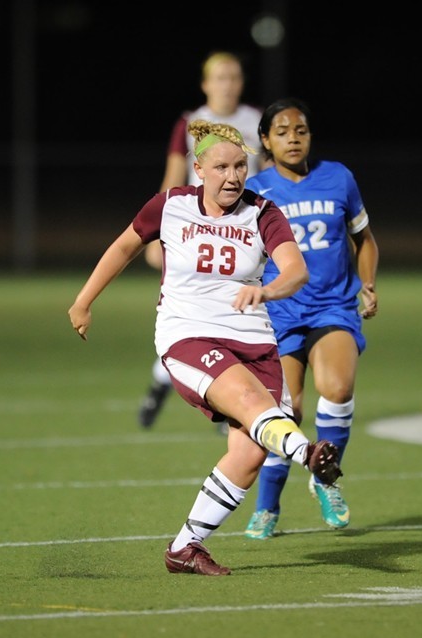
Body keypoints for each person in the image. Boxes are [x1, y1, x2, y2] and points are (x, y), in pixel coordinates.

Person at [68, 120, 342, 576]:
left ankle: (185, 547)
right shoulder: (171, 206)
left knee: (250, 452)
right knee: (254, 404)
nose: (233, 176)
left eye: (240, 166)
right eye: (221, 167)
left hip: (255, 342)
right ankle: (308, 454)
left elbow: (295, 272)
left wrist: (268, 292)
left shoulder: (263, 213)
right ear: (198, 169)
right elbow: (122, 248)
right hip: (188, 335)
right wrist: (83, 301)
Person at [241, 98, 379, 540]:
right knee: (287, 411)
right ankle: (267, 506)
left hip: (332, 307)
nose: (293, 138)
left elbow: (365, 240)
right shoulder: (255, 190)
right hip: (279, 313)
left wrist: (369, 284)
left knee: (337, 389)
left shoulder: (338, 177)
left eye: (300, 130)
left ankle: (325, 478)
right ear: (265, 140)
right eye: (281, 132)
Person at [138, 51, 267, 429]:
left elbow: (269, 177)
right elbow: (172, 180)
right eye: (221, 77)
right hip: (196, 235)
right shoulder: (190, 122)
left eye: (234, 77)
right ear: (206, 84)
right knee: (192, 317)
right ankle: (165, 383)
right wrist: (154, 235)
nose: (228, 84)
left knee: (242, 318)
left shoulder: (255, 120)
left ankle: (231, 405)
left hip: (244, 232)